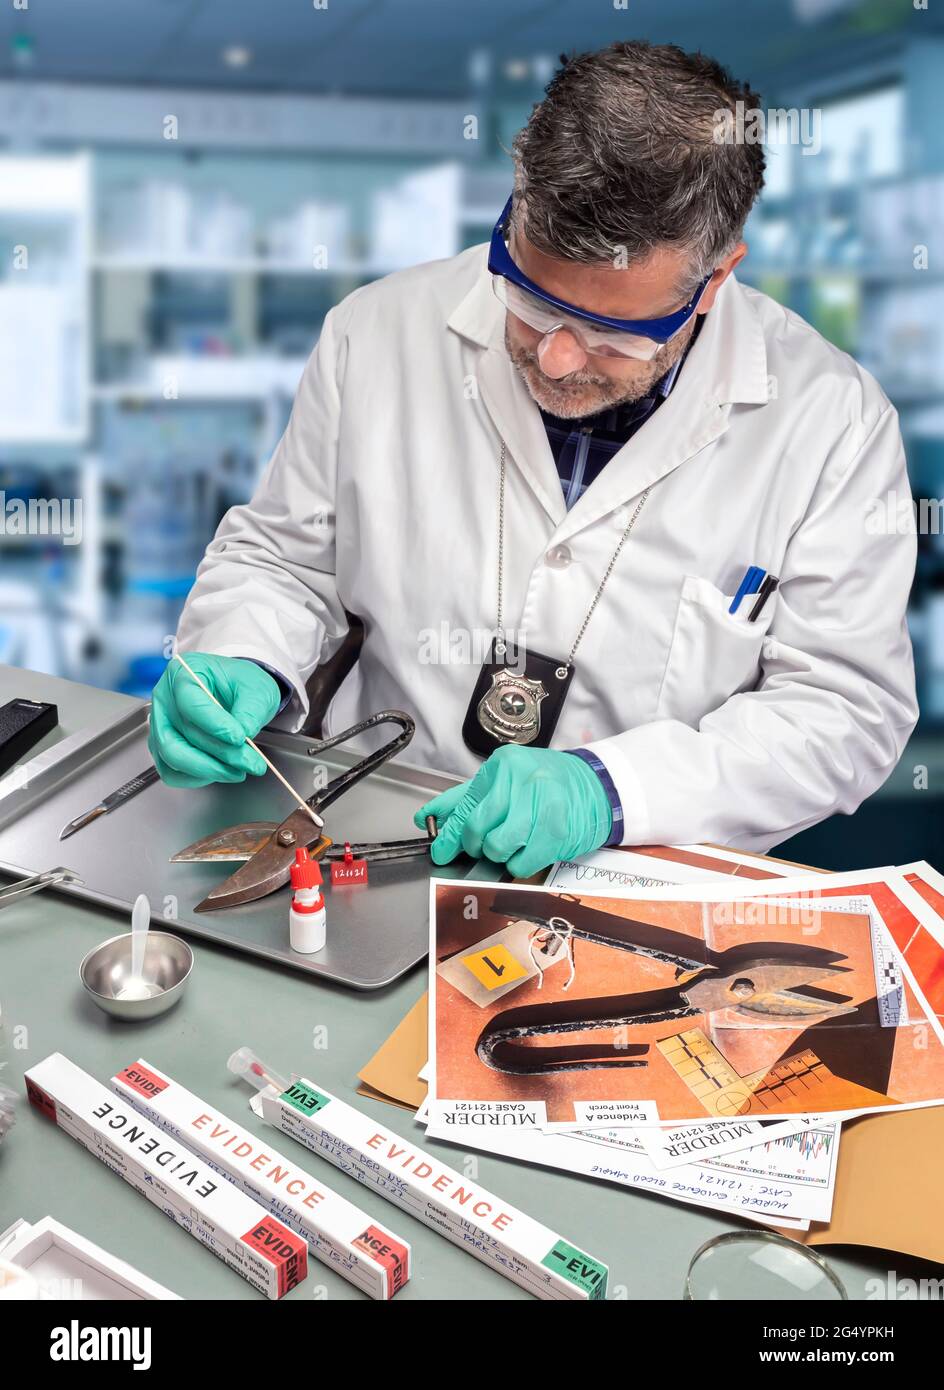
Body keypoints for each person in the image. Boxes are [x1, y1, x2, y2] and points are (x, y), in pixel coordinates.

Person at [149, 40, 917, 879]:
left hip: (636, 876)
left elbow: (844, 711)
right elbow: (287, 559)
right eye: (527, 297)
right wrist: (242, 653)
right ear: (513, 212)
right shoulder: (374, 333)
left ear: (719, 274)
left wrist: (611, 792)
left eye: (613, 334)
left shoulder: (833, 424)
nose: (554, 359)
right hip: (373, 832)